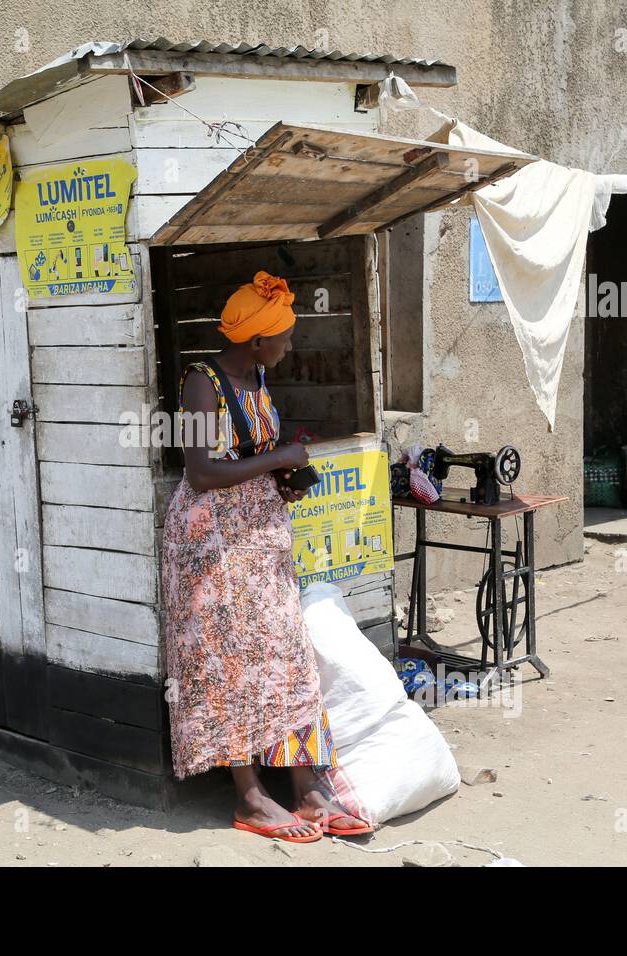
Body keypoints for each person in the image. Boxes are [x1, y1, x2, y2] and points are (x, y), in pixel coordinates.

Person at [161, 270, 373, 843]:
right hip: (213, 548)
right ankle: (251, 798)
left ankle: (307, 790)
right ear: (256, 340)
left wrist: (285, 478)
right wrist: (279, 457)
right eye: (282, 336)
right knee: (229, 666)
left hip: (261, 542)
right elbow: (202, 471)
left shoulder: (255, 376)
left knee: (286, 659)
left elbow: (249, 455)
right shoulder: (202, 382)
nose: (288, 345)